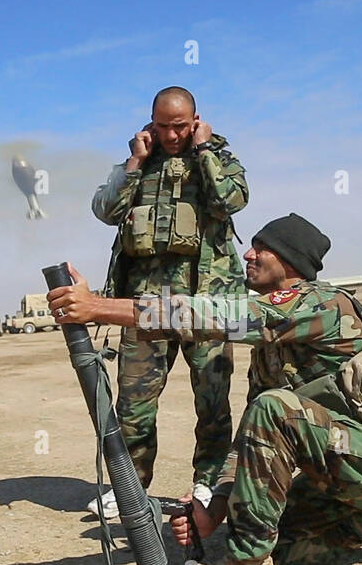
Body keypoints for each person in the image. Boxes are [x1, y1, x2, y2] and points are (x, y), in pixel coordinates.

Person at [49, 213, 362, 565]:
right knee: (280, 550)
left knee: (276, 411)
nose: (248, 254)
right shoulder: (271, 346)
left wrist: (97, 307)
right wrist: (213, 505)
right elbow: (252, 440)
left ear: (290, 261)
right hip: (343, 465)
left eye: (261, 248)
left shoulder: (323, 305)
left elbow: (218, 317)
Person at [88, 86, 249, 519]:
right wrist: (136, 162)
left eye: (180, 127)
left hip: (207, 302)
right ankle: (130, 489)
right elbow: (105, 209)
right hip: (146, 304)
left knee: (212, 401)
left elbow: (230, 200)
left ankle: (208, 484)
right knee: (133, 404)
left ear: (195, 121)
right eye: (163, 127)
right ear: (151, 123)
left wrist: (204, 151)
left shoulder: (217, 157)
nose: (172, 135)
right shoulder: (137, 163)